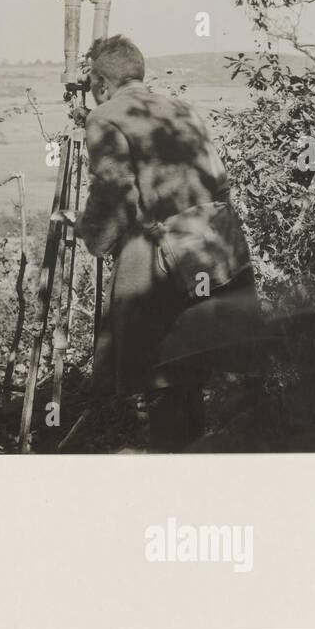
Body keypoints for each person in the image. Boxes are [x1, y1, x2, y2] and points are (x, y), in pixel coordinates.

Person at [65, 34, 258, 452]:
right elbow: (218, 180)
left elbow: (116, 195)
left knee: (163, 381)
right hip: (219, 246)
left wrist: (88, 232)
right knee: (196, 375)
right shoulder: (182, 108)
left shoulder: (105, 116)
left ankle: (174, 478)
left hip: (169, 259)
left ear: (100, 84)